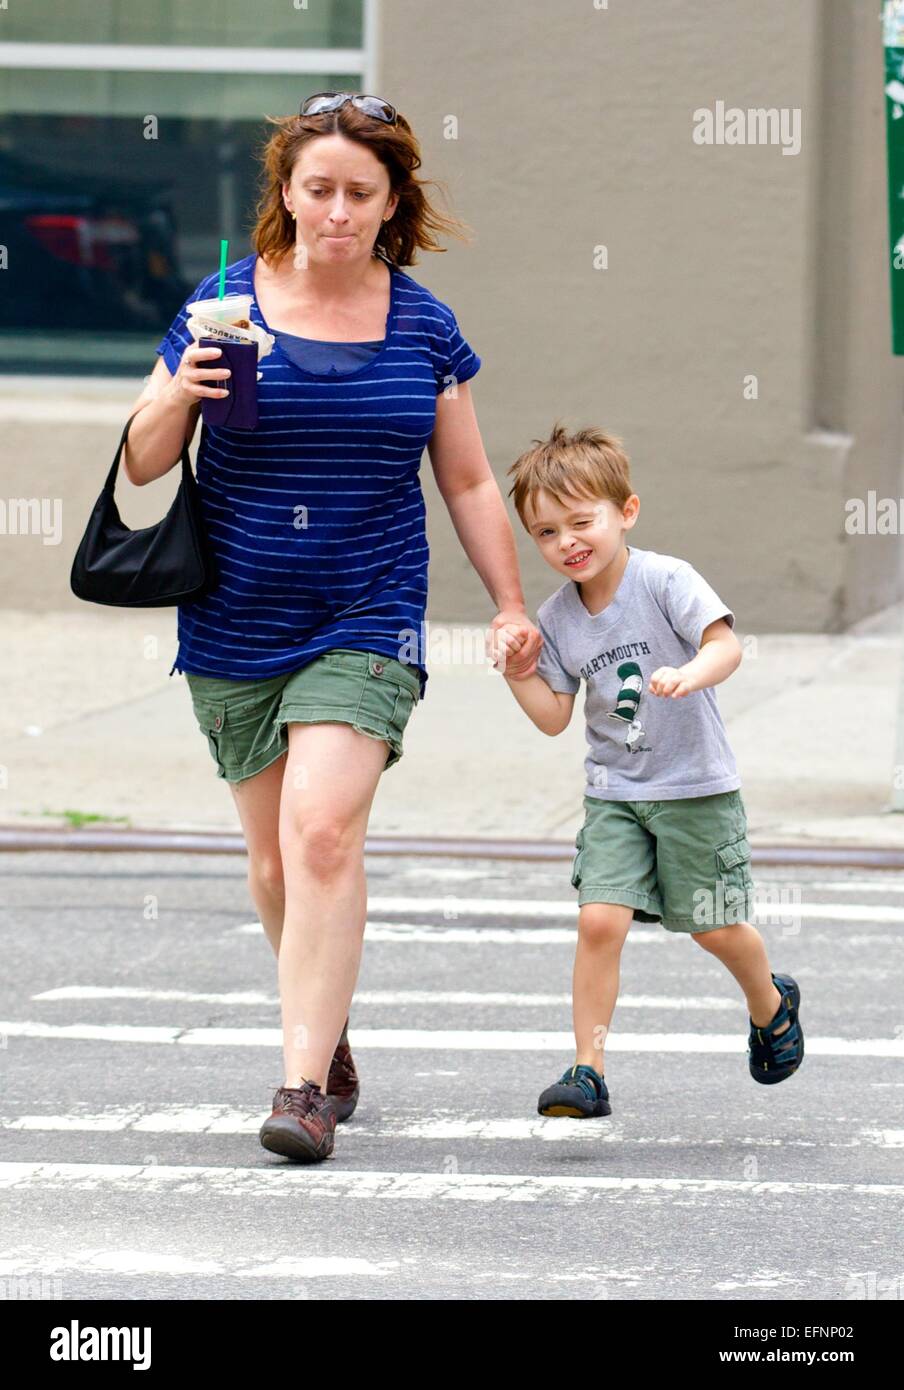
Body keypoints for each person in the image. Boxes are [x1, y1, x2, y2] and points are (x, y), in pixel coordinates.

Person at [121, 92, 543, 1163]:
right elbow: (140, 460)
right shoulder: (222, 303)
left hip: (368, 611)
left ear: (393, 200)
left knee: (320, 831)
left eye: (361, 192)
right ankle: (332, 1023)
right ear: (286, 196)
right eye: (319, 190)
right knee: (272, 862)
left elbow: (467, 480)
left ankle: (302, 1086)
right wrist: (183, 393)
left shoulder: (421, 323)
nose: (338, 211)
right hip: (234, 614)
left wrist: (507, 602)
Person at [487, 422, 804, 1119]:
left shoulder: (664, 580)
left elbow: (726, 646)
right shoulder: (557, 618)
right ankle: (587, 1069)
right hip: (616, 795)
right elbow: (551, 716)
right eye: (545, 533)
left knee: (712, 926)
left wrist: (691, 674)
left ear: (625, 513)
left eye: (580, 522)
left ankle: (769, 1001)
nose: (566, 542)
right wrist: (517, 672)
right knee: (599, 921)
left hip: (695, 788)